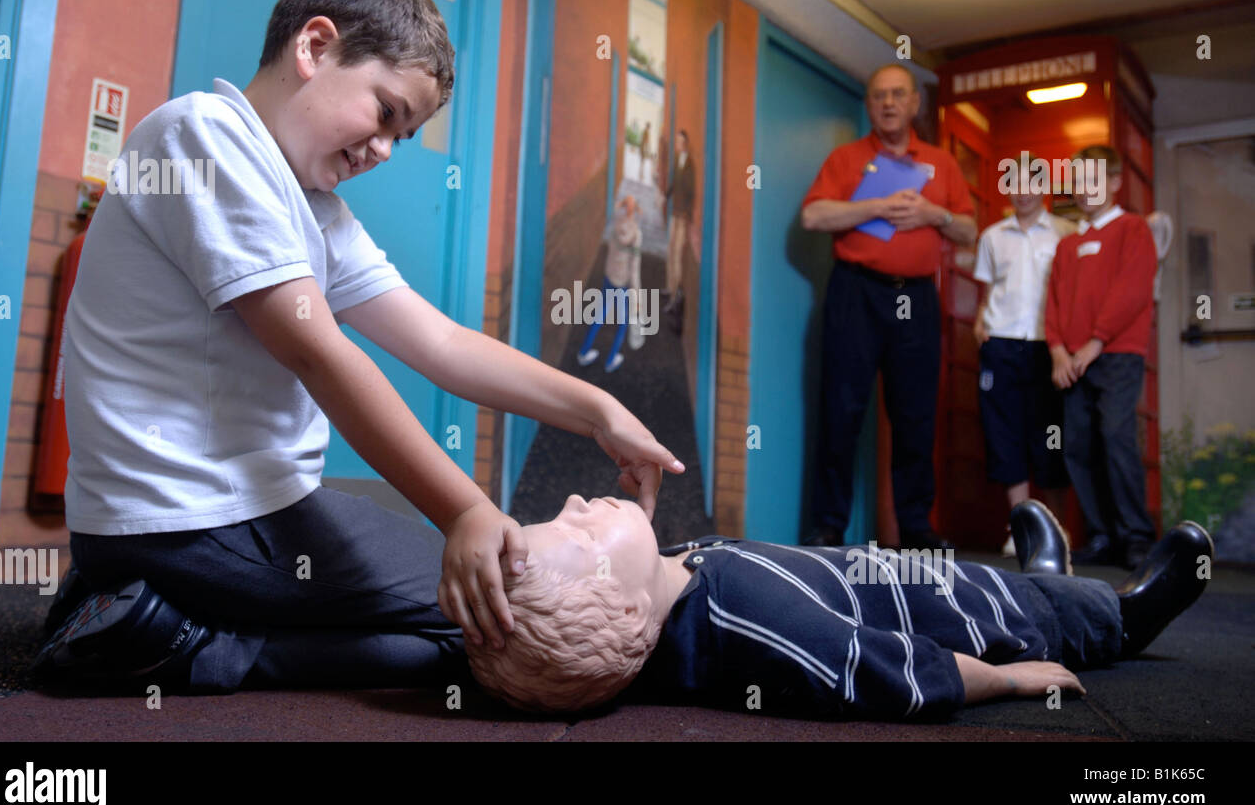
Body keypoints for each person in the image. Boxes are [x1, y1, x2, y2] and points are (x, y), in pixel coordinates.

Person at [34, 0, 682, 693]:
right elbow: (316, 351)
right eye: (385, 113)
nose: (382, 151)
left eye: (402, 137)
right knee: (506, 612)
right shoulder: (202, 138)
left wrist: (597, 409)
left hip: (238, 515)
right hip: (183, 521)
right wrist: (464, 510)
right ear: (314, 47)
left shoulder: (315, 209)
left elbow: (440, 343)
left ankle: (155, 612)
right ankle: (179, 641)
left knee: (477, 605)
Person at [466, 494, 1212, 719]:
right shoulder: (750, 620)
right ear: (631, 617)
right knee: (1036, 606)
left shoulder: (668, 586)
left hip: (884, 572)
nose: (570, 501)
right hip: (969, 620)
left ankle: (1049, 571)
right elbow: (890, 670)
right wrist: (1015, 679)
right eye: (578, 530)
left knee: (995, 576)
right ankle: (1123, 611)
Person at [800, 65, 977, 550]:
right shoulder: (847, 158)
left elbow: (968, 230)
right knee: (840, 409)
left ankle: (916, 526)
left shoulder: (942, 162)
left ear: (915, 103)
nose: (889, 103)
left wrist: (932, 214)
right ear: (869, 104)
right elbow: (814, 215)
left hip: (914, 297)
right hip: (855, 291)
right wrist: (874, 207)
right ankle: (829, 526)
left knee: (916, 413)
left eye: (899, 94)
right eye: (879, 95)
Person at [1045, 145, 1157, 569]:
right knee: (1075, 445)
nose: (1085, 189)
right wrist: (1058, 351)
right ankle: (1102, 535)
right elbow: (1052, 303)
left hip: (1116, 355)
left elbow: (1131, 291)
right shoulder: (1067, 244)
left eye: (1094, 180)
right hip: (1072, 361)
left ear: (1114, 182)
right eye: (1078, 181)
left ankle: (1136, 535)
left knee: (1115, 437)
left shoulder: (1133, 230)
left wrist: (1095, 342)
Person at [974, 153, 1077, 555]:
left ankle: (1056, 530)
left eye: (1031, 183)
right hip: (1000, 344)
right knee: (1004, 434)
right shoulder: (992, 236)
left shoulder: (1066, 233)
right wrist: (980, 326)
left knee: (1050, 434)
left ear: (1044, 188)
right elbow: (986, 295)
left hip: (1047, 346)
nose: (1022, 191)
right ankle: (1019, 529)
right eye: (1014, 183)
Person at [577, 195, 642, 373]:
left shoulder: (615, 223)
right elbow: (634, 268)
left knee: (600, 314)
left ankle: (584, 352)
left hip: (609, 276)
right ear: (635, 210)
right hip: (623, 283)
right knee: (623, 323)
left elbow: (611, 210)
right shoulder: (636, 234)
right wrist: (637, 295)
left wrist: (621, 204)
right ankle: (611, 359)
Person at [662, 130, 696, 321]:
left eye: (679, 141)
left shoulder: (690, 163)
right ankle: (669, 287)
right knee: (669, 249)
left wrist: (688, 215)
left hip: (682, 216)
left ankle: (675, 297)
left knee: (676, 255)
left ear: (685, 143)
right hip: (674, 212)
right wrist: (665, 197)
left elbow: (692, 191)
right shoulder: (677, 159)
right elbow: (674, 182)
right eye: (676, 141)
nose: (677, 144)